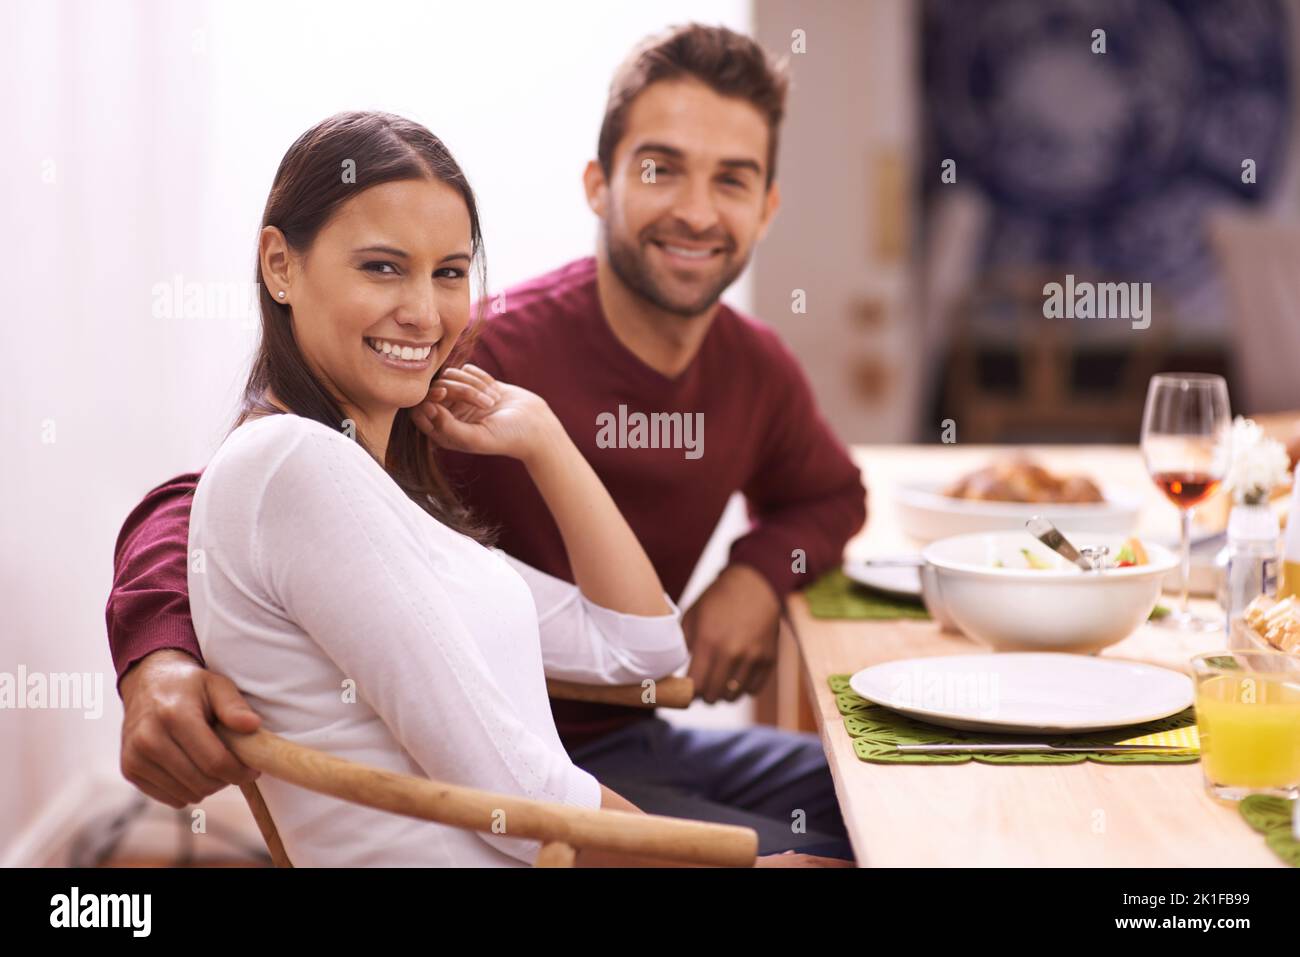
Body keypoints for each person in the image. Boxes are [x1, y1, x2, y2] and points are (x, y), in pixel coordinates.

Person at [108, 25, 866, 860]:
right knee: (867, 845)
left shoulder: (753, 366)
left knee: (877, 788)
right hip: (526, 768)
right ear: (599, 185)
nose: (694, 208)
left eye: (731, 179)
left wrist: (757, 576)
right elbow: (223, 490)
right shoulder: (466, 351)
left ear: (766, 208)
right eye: (660, 168)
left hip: (626, 719)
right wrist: (157, 649)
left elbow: (830, 495)